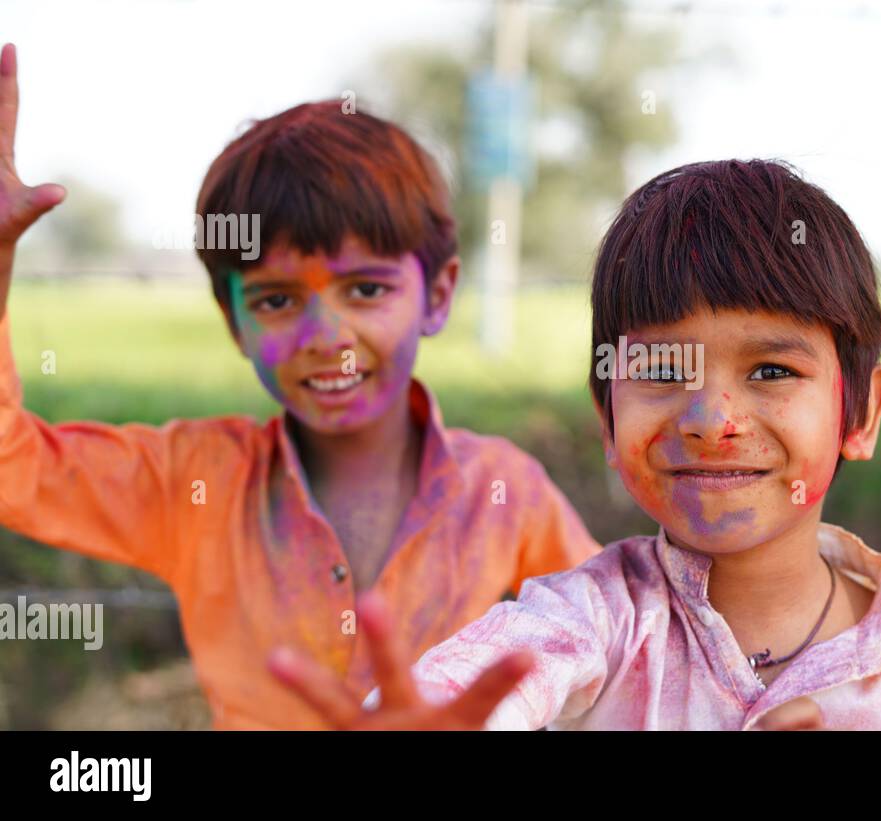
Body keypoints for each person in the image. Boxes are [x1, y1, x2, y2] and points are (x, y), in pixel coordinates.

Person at [271, 159, 881, 730]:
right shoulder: (590, 621)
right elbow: (466, 694)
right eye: (662, 370)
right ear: (607, 412)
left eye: (771, 370)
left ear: (862, 410)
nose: (710, 418)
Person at [0, 42, 597, 729]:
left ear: (437, 294)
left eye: (366, 288)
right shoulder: (194, 482)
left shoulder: (508, 494)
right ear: (235, 322)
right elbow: (14, 468)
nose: (325, 335)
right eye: (277, 299)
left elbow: (612, 654)